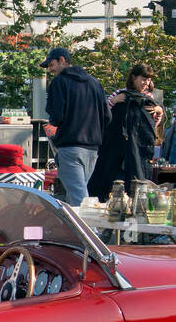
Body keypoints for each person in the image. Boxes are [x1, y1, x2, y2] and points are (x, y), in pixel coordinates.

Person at [43, 46, 108, 206]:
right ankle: (75, 230)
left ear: (62, 60)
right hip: (92, 148)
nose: (50, 70)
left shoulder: (59, 82)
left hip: (70, 146)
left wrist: (55, 125)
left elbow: (56, 117)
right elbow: (107, 116)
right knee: (77, 193)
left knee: (79, 198)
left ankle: (91, 231)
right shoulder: (95, 82)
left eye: (52, 65)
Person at [88, 62, 162, 200]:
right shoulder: (119, 93)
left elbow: (153, 124)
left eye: (149, 80)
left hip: (138, 145)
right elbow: (105, 114)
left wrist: (159, 110)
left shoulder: (149, 98)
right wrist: (114, 101)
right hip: (117, 143)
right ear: (134, 78)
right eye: (143, 79)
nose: (146, 83)